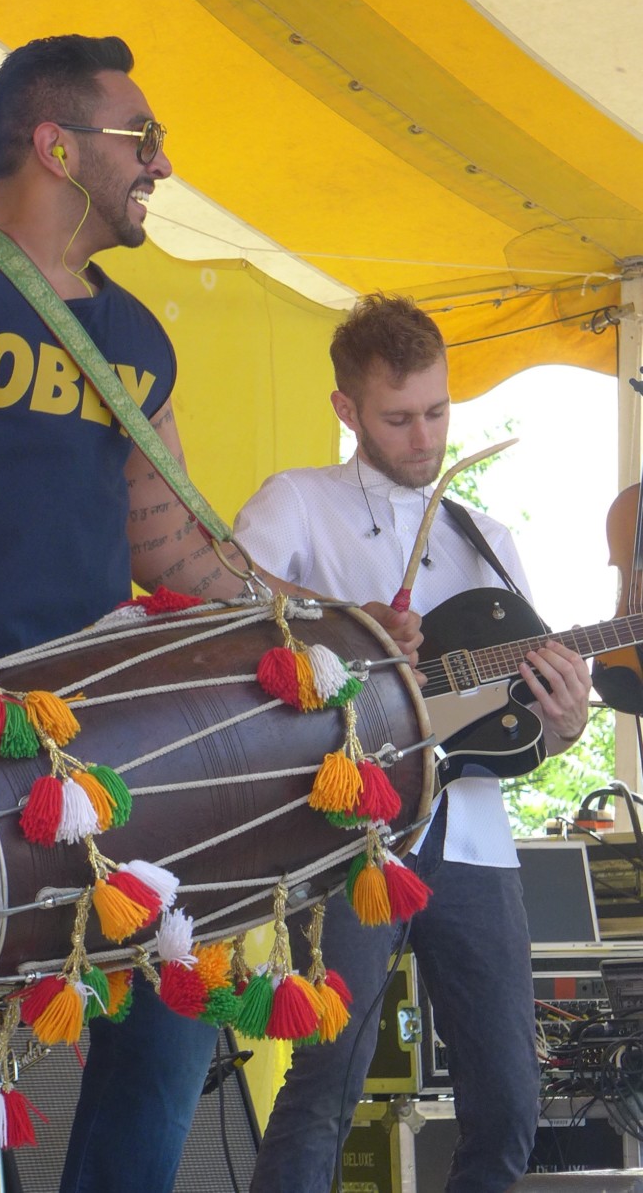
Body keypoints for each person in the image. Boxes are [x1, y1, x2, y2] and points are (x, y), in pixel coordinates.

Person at [0, 36, 420, 1193]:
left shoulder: (136, 341)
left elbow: (174, 548)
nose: (161, 159)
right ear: (55, 144)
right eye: (140, 136)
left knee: (163, 1027)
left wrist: (331, 622)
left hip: (107, 740)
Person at [234, 294, 592, 1193]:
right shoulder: (297, 503)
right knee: (325, 1085)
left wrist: (563, 724)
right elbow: (229, 616)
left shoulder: (490, 538)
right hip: (347, 835)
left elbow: (511, 732)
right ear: (346, 409)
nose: (424, 436)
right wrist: (350, 635)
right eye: (397, 417)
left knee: (511, 1098)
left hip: (472, 838)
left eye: (437, 411)